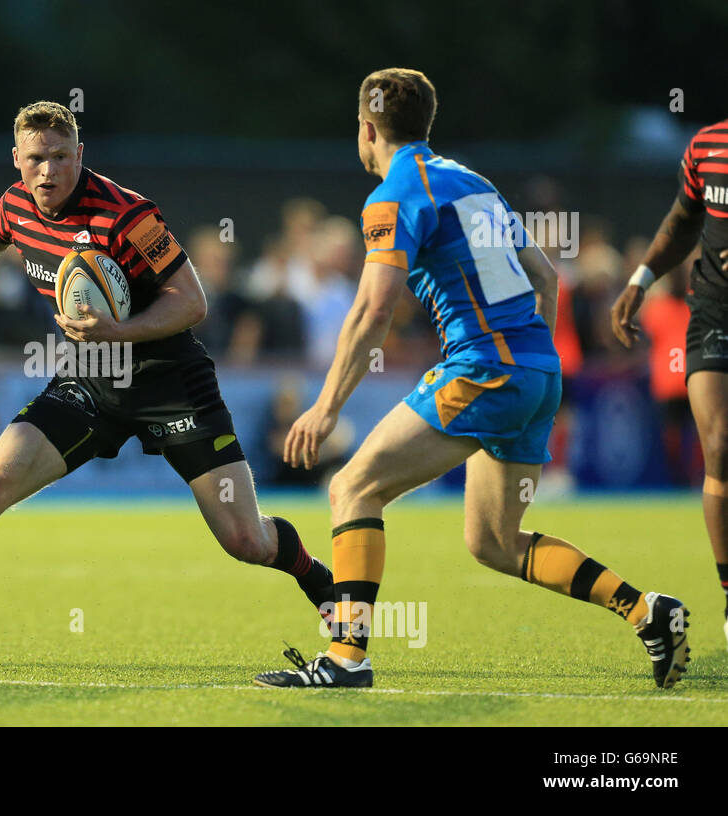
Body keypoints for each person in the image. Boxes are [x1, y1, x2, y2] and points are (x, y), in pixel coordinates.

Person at [0, 101, 332, 670]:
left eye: (62, 158)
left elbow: (193, 303)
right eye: (37, 159)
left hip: (171, 383)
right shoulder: (16, 202)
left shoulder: (128, 217)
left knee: (246, 541)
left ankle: (325, 586)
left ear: (80, 155)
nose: (49, 172)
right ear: (16, 159)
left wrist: (120, 329)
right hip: (91, 379)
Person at [254, 68, 689, 690]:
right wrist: (531, 362)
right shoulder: (473, 182)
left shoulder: (393, 195)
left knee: (353, 486)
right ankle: (649, 611)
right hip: (537, 370)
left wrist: (326, 405)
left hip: (485, 367)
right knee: (495, 542)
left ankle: (346, 658)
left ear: (366, 128)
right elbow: (546, 278)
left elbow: (374, 309)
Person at [612, 116, 728, 649]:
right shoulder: (707, 144)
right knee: (720, 445)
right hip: (713, 314)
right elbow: (684, 221)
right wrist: (642, 278)